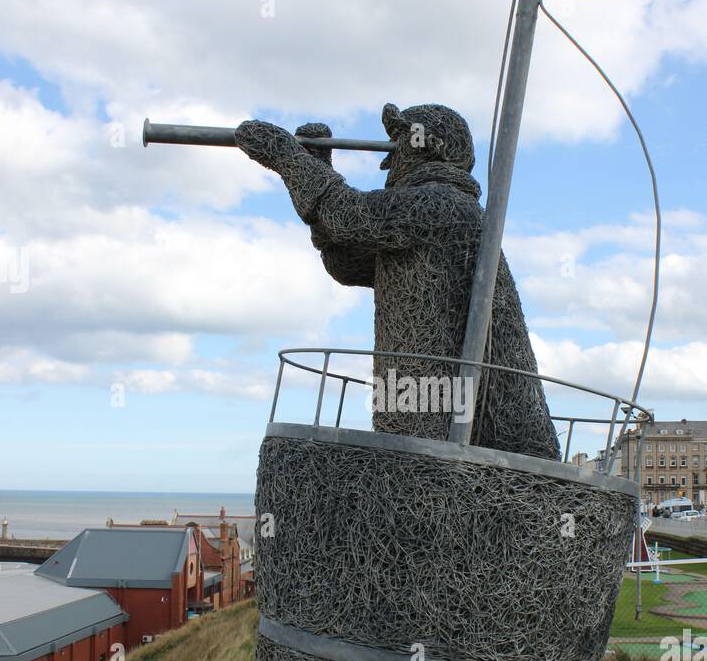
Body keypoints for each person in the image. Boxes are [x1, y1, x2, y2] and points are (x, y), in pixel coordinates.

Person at [235, 104, 560, 460]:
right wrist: (316, 167)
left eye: (400, 139)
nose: (387, 159)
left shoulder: (443, 203)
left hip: (460, 417)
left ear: (429, 145)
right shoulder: (420, 215)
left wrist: (289, 158)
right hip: (424, 405)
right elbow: (345, 261)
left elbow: (351, 218)